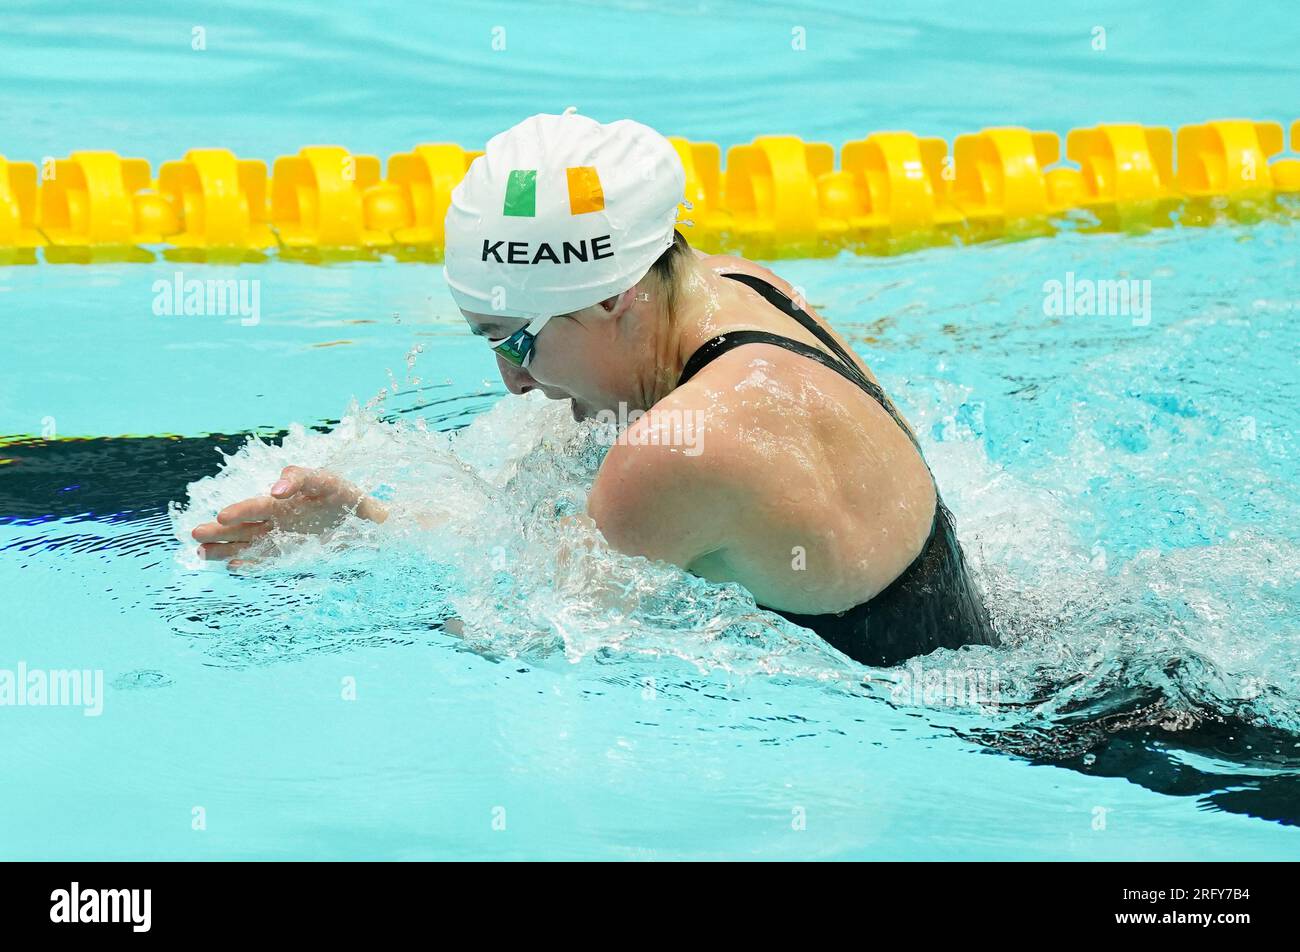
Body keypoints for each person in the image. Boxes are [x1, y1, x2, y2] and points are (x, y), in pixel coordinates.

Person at [191, 110, 996, 667]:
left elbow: (518, 633)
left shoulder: (670, 456)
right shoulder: (744, 288)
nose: (511, 380)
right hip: (1004, 651)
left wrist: (357, 553)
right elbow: (547, 547)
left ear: (614, 296)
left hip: (970, 736)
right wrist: (365, 516)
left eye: (518, 339)